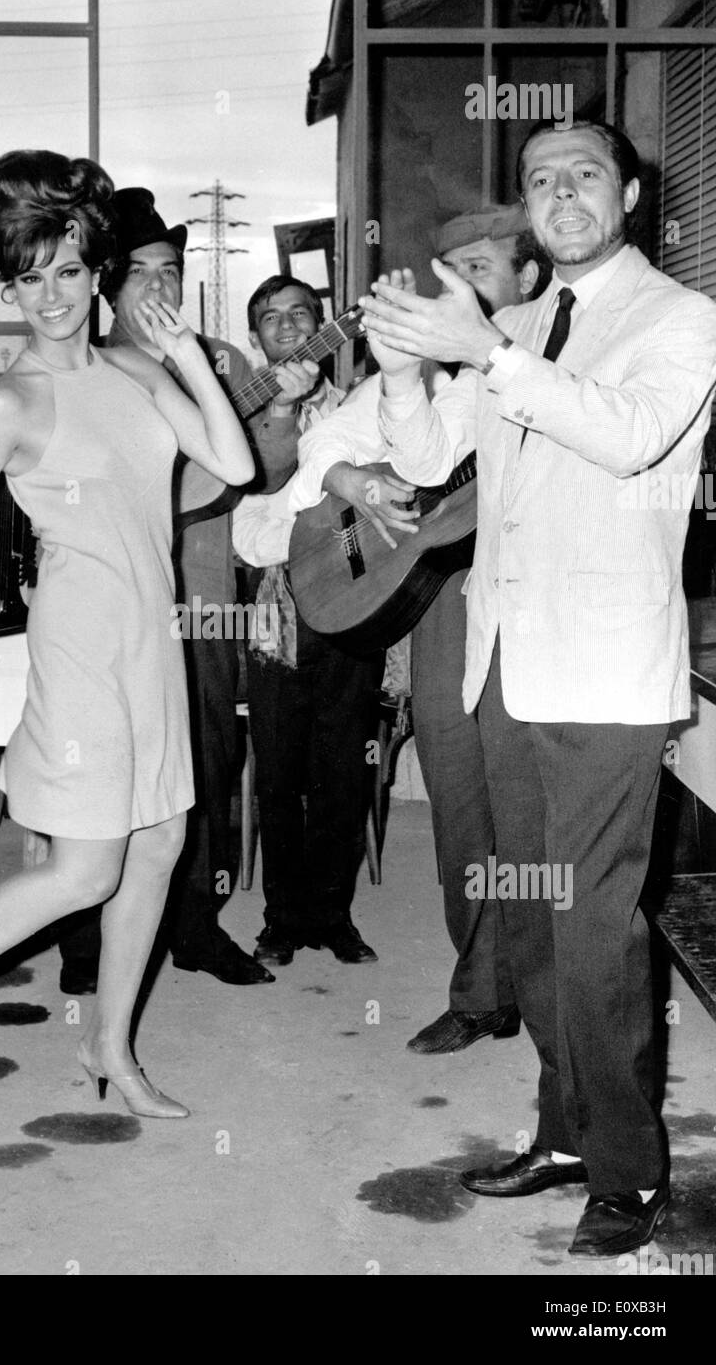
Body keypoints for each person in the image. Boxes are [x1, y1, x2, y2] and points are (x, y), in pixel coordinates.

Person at [292, 121, 716, 1257]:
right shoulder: (515, 327)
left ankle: (627, 1172)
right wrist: (400, 371)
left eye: (584, 173)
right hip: (501, 668)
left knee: (593, 937)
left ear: (628, 189)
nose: (563, 192)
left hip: (604, 679)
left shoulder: (682, 320)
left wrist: (483, 355)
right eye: (540, 179)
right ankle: (565, 1133)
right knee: (529, 927)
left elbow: (626, 438)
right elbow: (429, 463)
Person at [0, 150, 254, 1119]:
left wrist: (186, 350)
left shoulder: (137, 371)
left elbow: (231, 462)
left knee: (159, 843)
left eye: (68, 271)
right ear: (9, 283)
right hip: (77, 645)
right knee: (85, 866)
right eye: (30, 279)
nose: (53, 296)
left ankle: (110, 1050)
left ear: (94, 266)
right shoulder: (10, 402)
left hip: (151, 638)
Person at [54, 187, 277, 990]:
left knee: (207, 762)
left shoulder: (225, 364)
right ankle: (86, 943)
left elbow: (263, 473)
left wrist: (281, 413)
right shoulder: (85, 368)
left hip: (205, 601)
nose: (159, 287)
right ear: (109, 287)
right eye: (141, 271)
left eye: (172, 270)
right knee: (103, 771)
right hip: (112, 608)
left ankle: (196, 927)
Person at [406, 203, 549, 1054]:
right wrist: (349, 473)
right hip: (442, 603)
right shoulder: (428, 372)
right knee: (460, 809)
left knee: (530, 816)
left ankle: (547, 996)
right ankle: (482, 990)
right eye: (447, 273)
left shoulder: (564, 361)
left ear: (528, 279)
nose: (457, 289)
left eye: (480, 270)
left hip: (539, 608)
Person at [232, 274, 382, 966]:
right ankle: (282, 919)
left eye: (301, 314)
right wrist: (310, 518)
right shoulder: (244, 427)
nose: (288, 328)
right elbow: (249, 537)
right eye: (271, 319)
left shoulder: (360, 407)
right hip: (279, 613)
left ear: (327, 327)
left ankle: (334, 915)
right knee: (279, 772)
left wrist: (320, 525)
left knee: (342, 769)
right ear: (255, 336)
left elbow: (374, 520)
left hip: (353, 604)